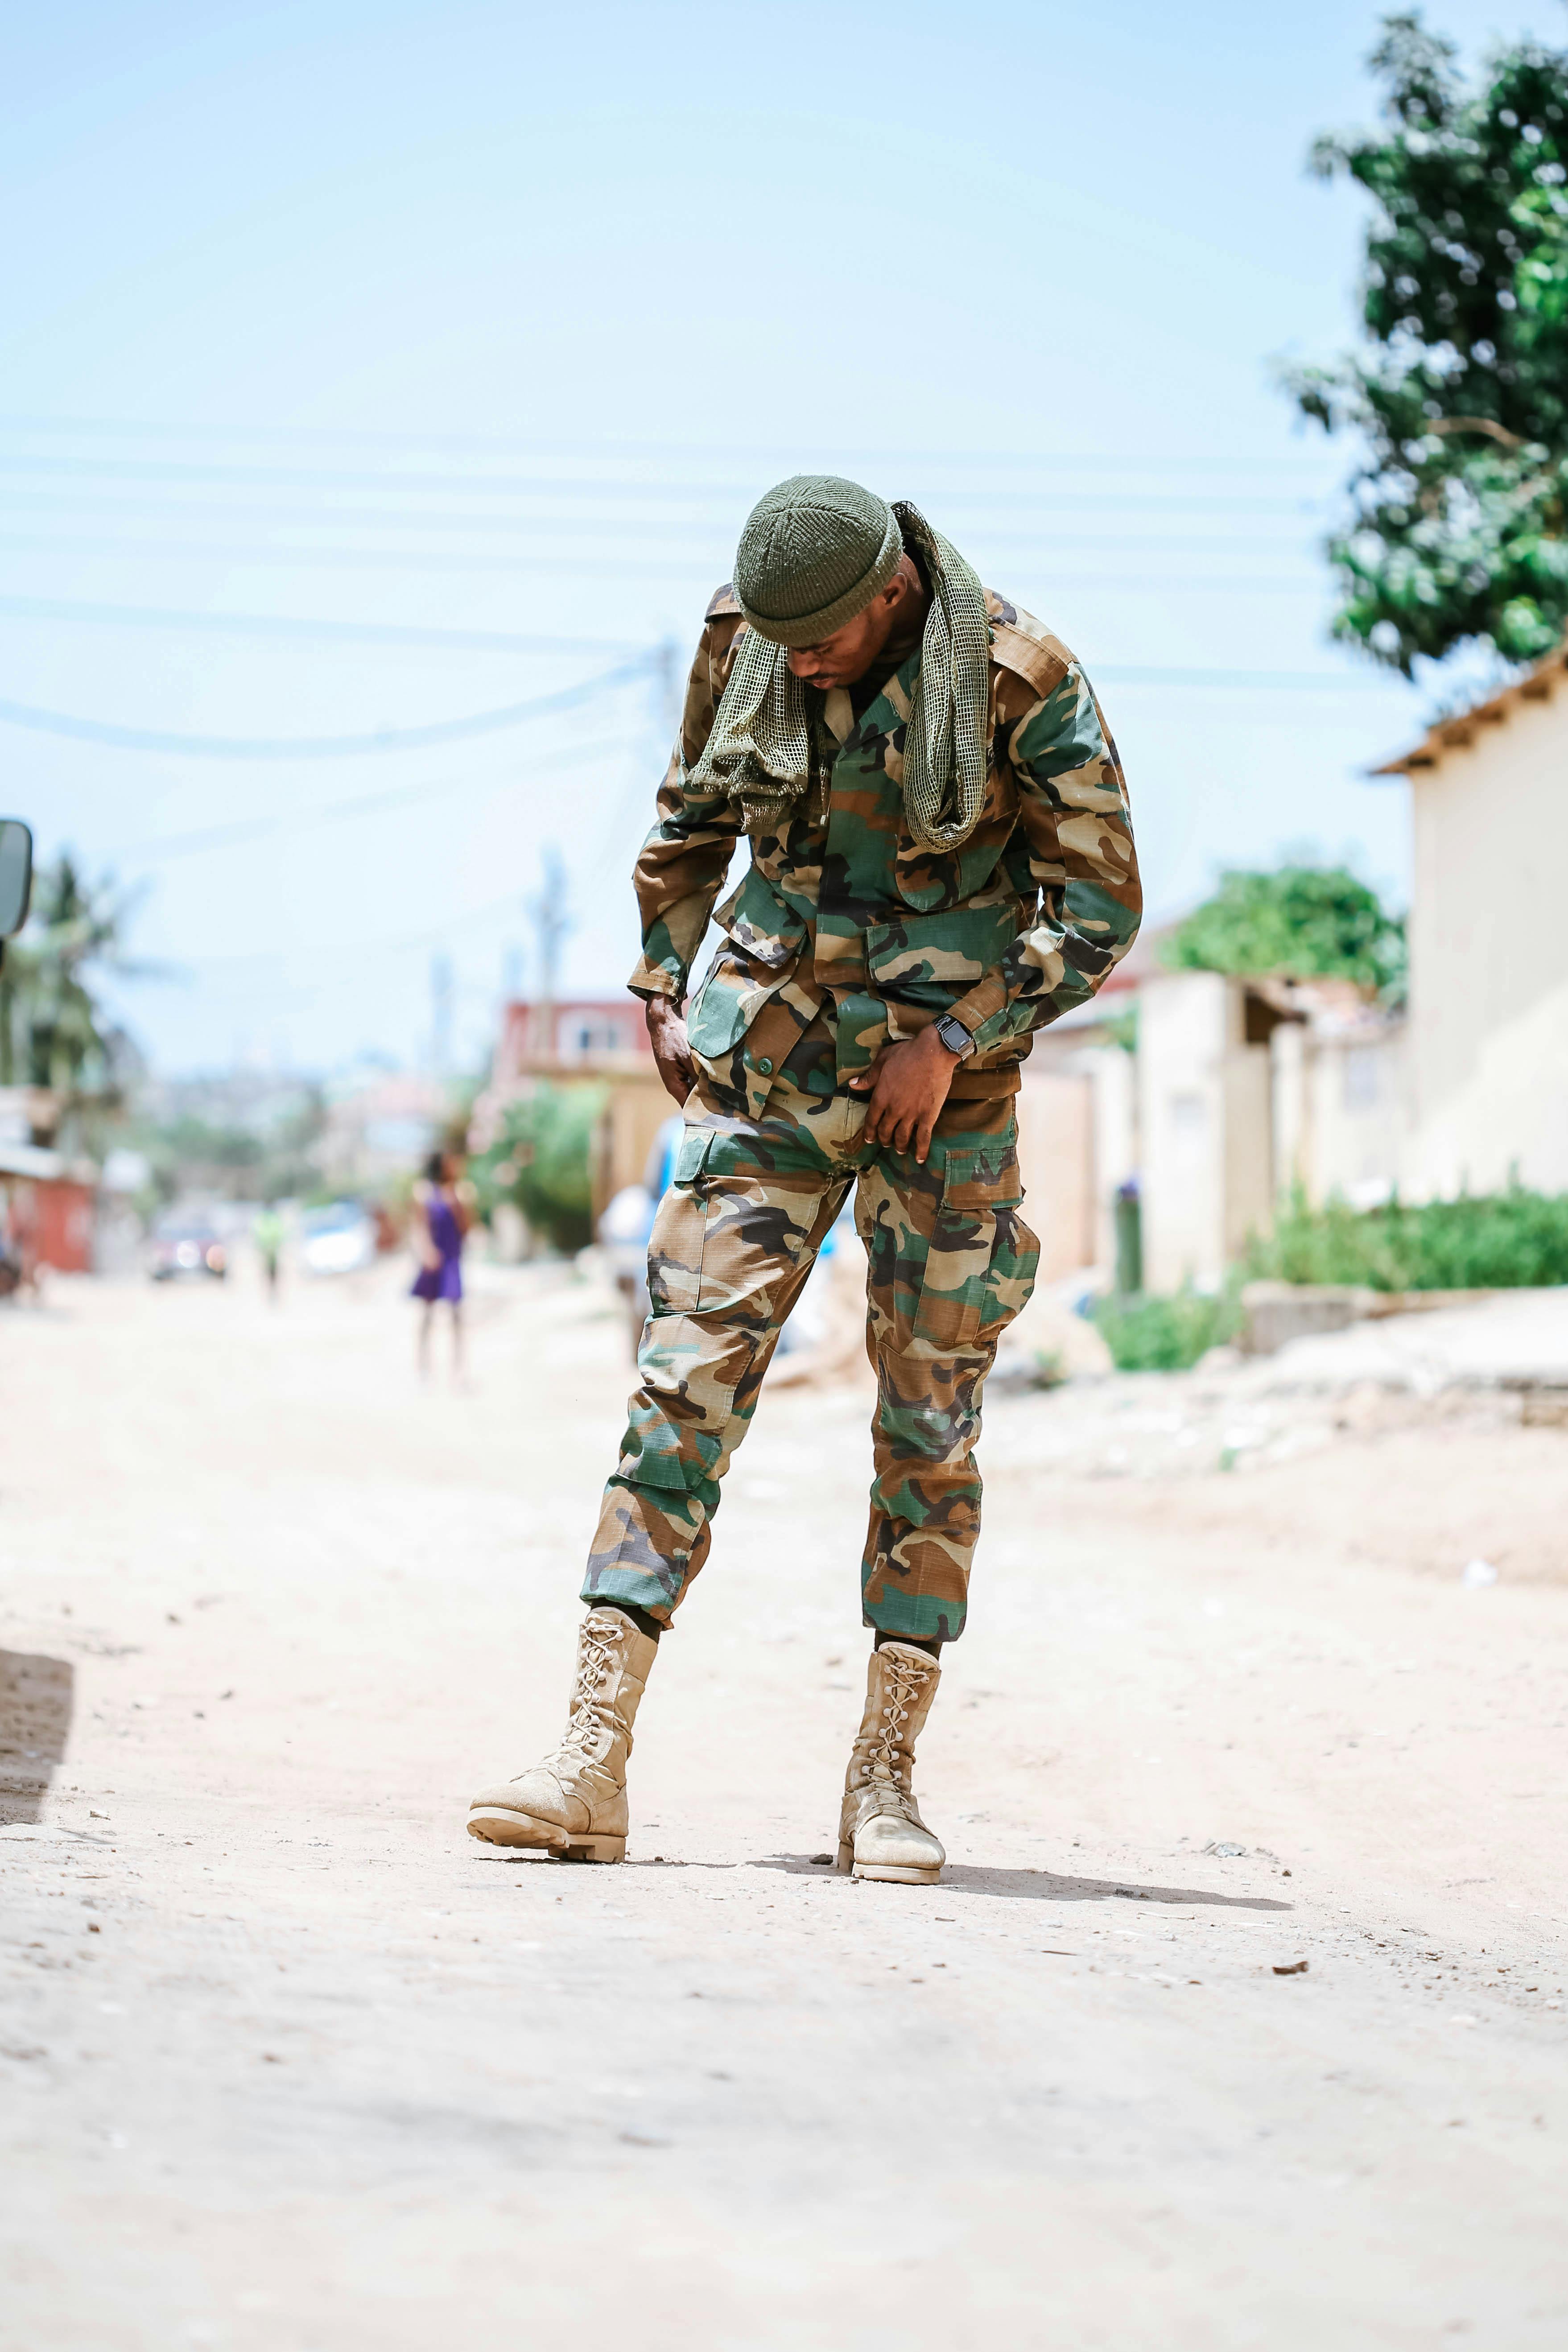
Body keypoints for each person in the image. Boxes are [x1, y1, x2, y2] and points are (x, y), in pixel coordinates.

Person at [468, 476, 1140, 1882]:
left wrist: (954, 1039)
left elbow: (1097, 906)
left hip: (940, 1099)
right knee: (682, 1382)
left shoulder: (1023, 679)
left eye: (822, 641)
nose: (796, 662)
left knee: (928, 1422)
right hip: (769, 1069)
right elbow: (686, 821)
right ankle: (587, 1756)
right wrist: (660, 984)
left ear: (892, 597)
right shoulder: (755, 632)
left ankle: (882, 1784)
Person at [411, 1150, 470, 1381]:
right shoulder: (424, 1193)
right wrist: (427, 1253)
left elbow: (466, 1228)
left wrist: (460, 1205)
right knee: (427, 1316)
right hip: (433, 1260)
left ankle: (458, 1369)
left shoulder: (459, 1193)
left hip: (452, 1259)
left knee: (457, 1315)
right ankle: (424, 1368)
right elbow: (420, 1227)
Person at [252, 1201, 285, 1303]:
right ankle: (272, 1294)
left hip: (266, 1250)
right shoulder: (275, 1219)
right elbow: (281, 1234)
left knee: (267, 1273)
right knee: (273, 1274)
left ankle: (269, 1294)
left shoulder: (261, 1219)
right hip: (272, 1250)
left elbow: (257, 1234)